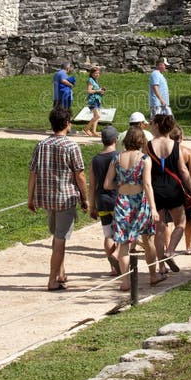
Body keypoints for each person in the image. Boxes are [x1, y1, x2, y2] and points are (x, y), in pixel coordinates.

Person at [28, 106, 88, 291]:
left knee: (57, 236)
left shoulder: (41, 145)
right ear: (67, 123)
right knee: (61, 238)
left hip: (47, 198)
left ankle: (60, 273)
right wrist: (85, 198)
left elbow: (33, 173)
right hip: (65, 198)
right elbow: (80, 175)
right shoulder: (71, 146)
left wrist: (30, 198)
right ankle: (52, 280)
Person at [104, 126, 162, 291]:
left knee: (123, 244)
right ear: (141, 141)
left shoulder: (116, 158)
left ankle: (125, 281)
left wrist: (120, 183)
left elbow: (107, 184)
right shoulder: (144, 159)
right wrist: (154, 209)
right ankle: (152, 275)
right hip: (140, 203)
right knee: (148, 239)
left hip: (122, 202)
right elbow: (148, 185)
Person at [147, 113, 191, 274]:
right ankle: (170, 251)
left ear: (157, 126)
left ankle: (161, 266)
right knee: (181, 223)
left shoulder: (148, 146)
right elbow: (183, 171)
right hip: (173, 188)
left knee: (159, 229)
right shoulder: (175, 146)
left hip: (155, 189)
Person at [88, 124, 120, 276]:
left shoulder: (95, 160)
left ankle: (113, 268)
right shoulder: (119, 156)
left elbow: (92, 185)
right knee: (122, 233)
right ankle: (117, 256)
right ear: (116, 139)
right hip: (117, 200)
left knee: (108, 235)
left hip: (101, 201)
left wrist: (91, 206)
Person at [170, 124, 191, 254]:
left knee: (167, 220)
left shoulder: (165, 151)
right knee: (188, 219)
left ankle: (168, 247)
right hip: (185, 189)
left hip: (169, 187)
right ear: (181, 137)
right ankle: (188, 247)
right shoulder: (187, 151)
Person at [84, 66, 105, 137]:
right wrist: (98, 90)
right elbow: (89, 91)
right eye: (95, 73)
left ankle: (94, 131)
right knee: (97, 116)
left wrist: (101, 92)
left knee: (96, 116)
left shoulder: (95, 81)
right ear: (92, 73)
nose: (97, 74)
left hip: (97, 100)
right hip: (93, 100)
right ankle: (86, 129)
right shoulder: (90, 80)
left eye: (98, 73)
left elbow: (96, 90)